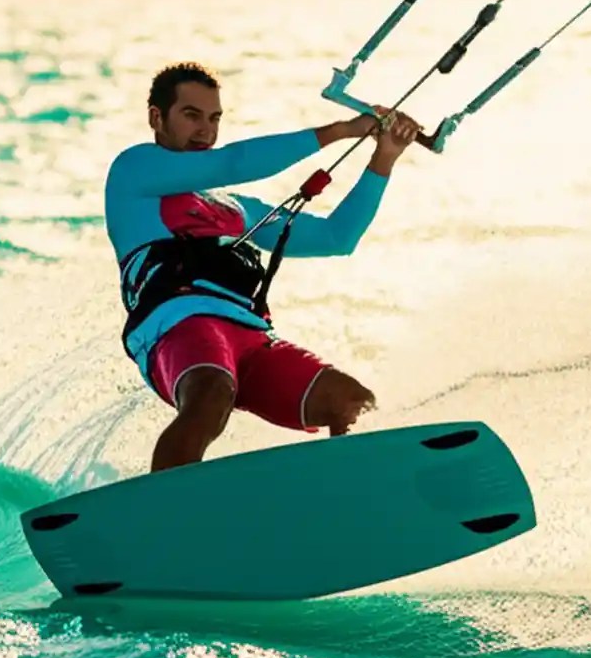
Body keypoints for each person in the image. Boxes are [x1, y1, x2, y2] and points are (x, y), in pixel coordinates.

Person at [104, 62, 422, 473]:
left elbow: (335, 238)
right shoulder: (135, 171)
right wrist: (340, 131)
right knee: (212, 394)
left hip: (250, 336)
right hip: (177, 327)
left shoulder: (235, 208)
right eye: (191, 115)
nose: (205, 130)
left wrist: (384, 157)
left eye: (214, 118)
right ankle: (164, 513)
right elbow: (232, 163)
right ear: (156, 117)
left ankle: (353, 492)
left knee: (350, 402)